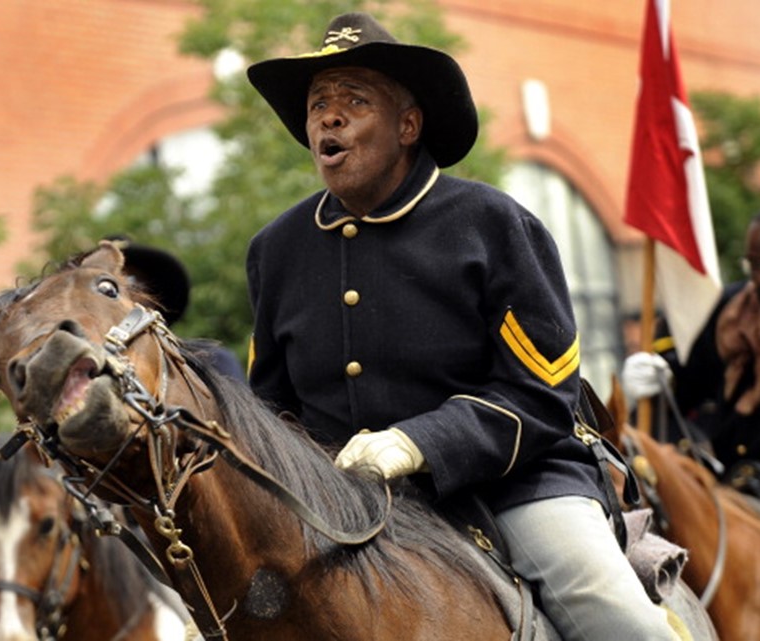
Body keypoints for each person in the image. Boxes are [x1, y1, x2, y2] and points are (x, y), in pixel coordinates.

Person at [244, 12, 678, 641]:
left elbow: (541, 394)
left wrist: (418, 442)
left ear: (408, 126)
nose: (328, 119)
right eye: (318, 106)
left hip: (515, 484)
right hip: (340, 503)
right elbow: (269, 409)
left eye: (354, 101)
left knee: (613, 612)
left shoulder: (491, 223)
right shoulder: (277, 249)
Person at [622, 204, 760, 488]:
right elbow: (694, 374)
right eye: (754, 265)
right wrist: (663, 376)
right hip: (733, 478)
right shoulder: (732, 309)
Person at [106, 234, 247, 382]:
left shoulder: (209, 363)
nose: (117, 294)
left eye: (130, 281)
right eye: (106, 287)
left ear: (154, 299)